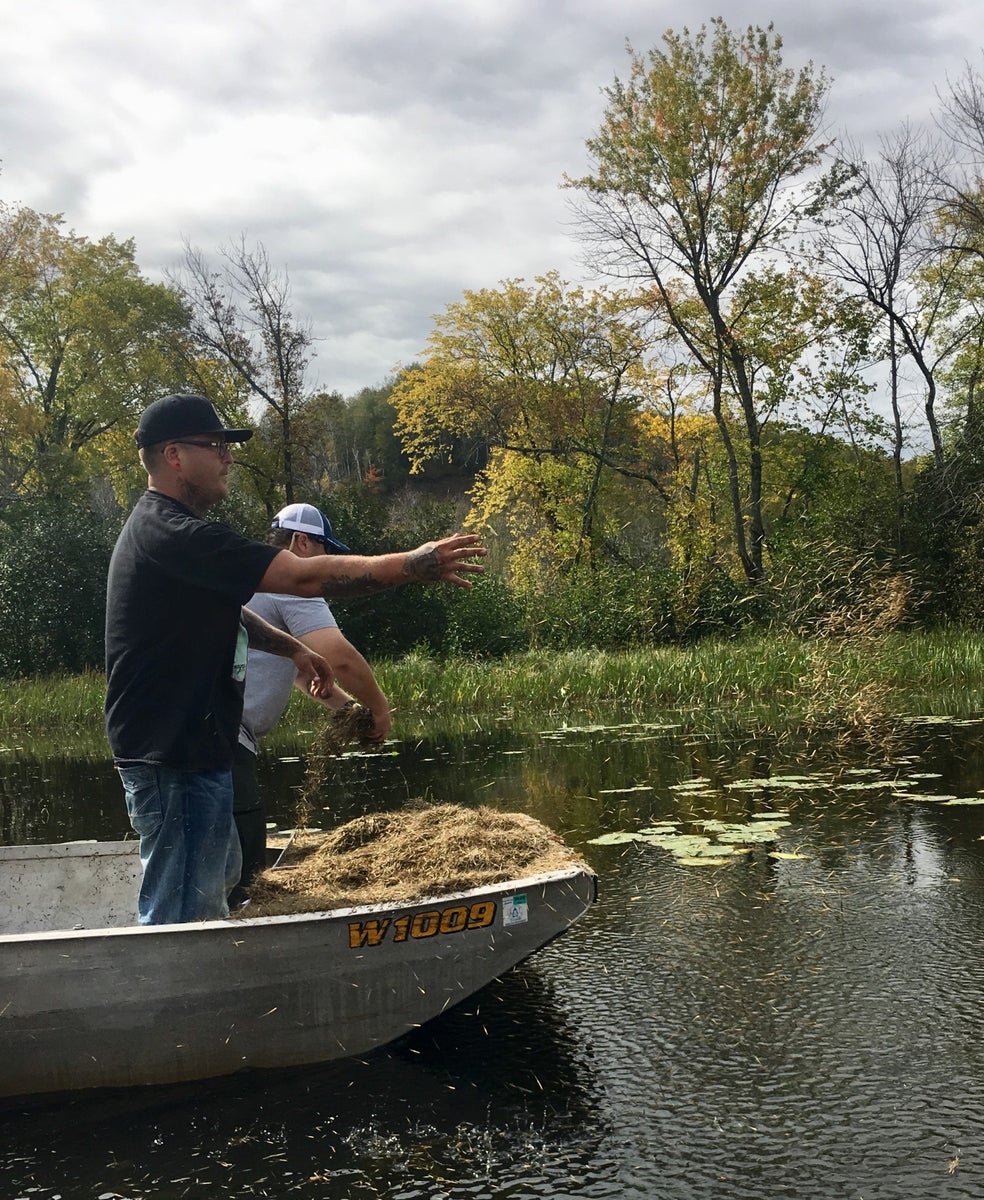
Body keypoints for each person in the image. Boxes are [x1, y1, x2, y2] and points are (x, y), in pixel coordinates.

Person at [104, 392, 485, 926]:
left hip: (192, 751)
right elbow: (304, 578)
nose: (228, 458)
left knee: (211, 894)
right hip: (173, 756)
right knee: (181, 919)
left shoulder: (168, 534)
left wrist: (294, 650)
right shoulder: (174, 534)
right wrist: (411, 564)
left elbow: (230, 613)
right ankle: (173, 984)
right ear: (174, 455)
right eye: (216, 446)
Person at [230, 502, 393, 903]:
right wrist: (378, 709)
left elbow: (306, 672)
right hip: (226, 737)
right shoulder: (290, 582)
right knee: (246, 861)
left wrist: (349, 711)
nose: (328, 561)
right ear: (302, 543)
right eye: (325, 549)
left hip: (214, 735)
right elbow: (339, 658)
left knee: (230, 848)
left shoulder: (251, 580)